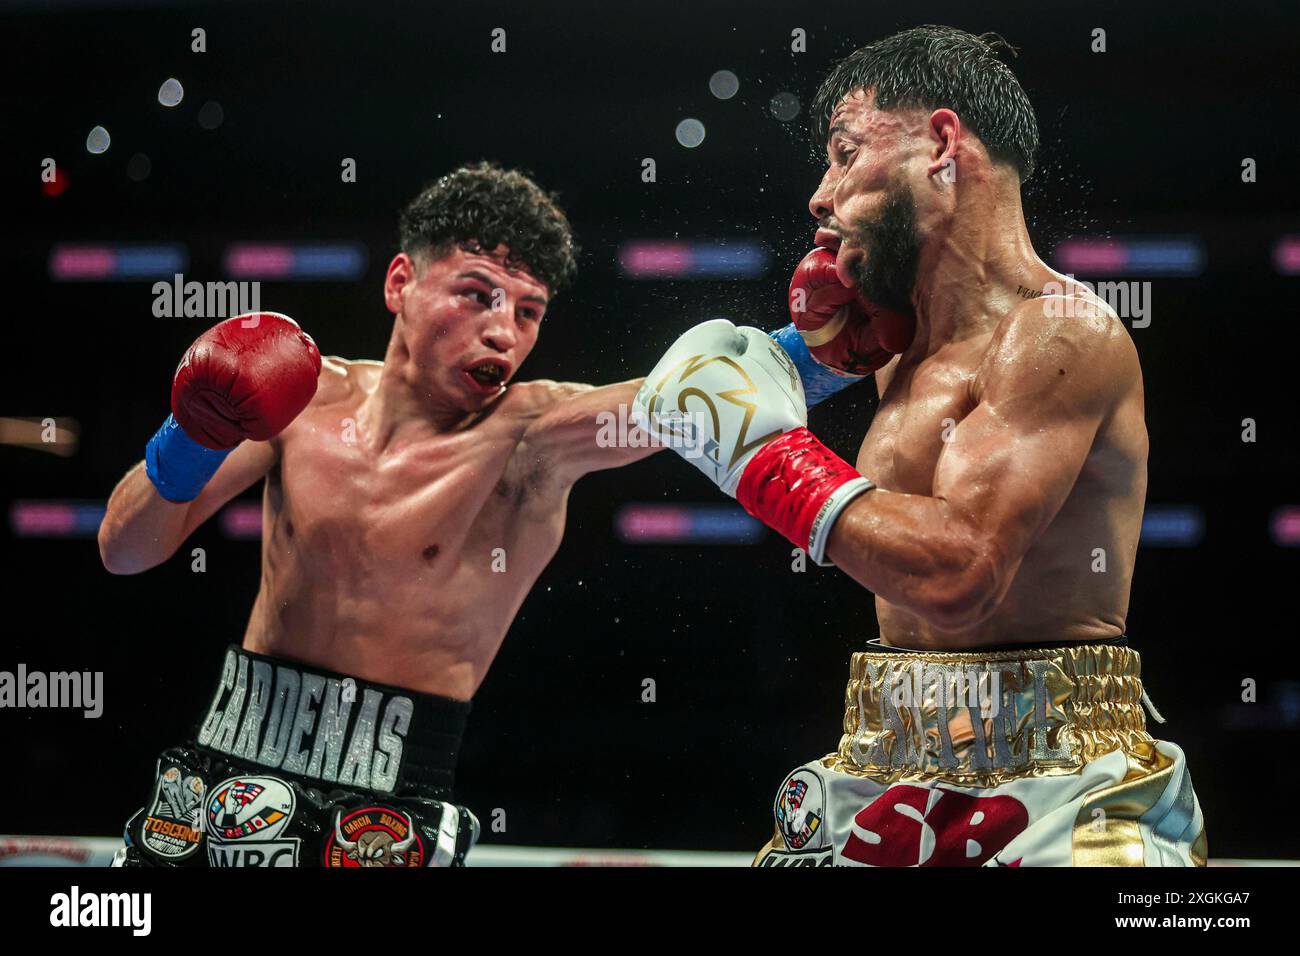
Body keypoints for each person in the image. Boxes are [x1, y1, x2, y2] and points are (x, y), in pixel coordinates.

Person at [634, 26, 1206, 866]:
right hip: (879, 762)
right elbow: (685, 401)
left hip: (1054, 784)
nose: (820, 197)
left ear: (942, 144)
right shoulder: (889, 347)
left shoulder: (1061, 334)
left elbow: (960, 576)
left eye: (843, 151)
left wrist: (763, 459)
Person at [100, 162, 653, 867]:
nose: (503, 333)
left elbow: (683, 401)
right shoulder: (302, 399)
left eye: (528, 311)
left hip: (387, 799)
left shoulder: (532, 437)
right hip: (226, 764)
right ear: (401, 284)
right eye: (477, 295)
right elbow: (125, 550)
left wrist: (810, 347)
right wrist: (193, 434)